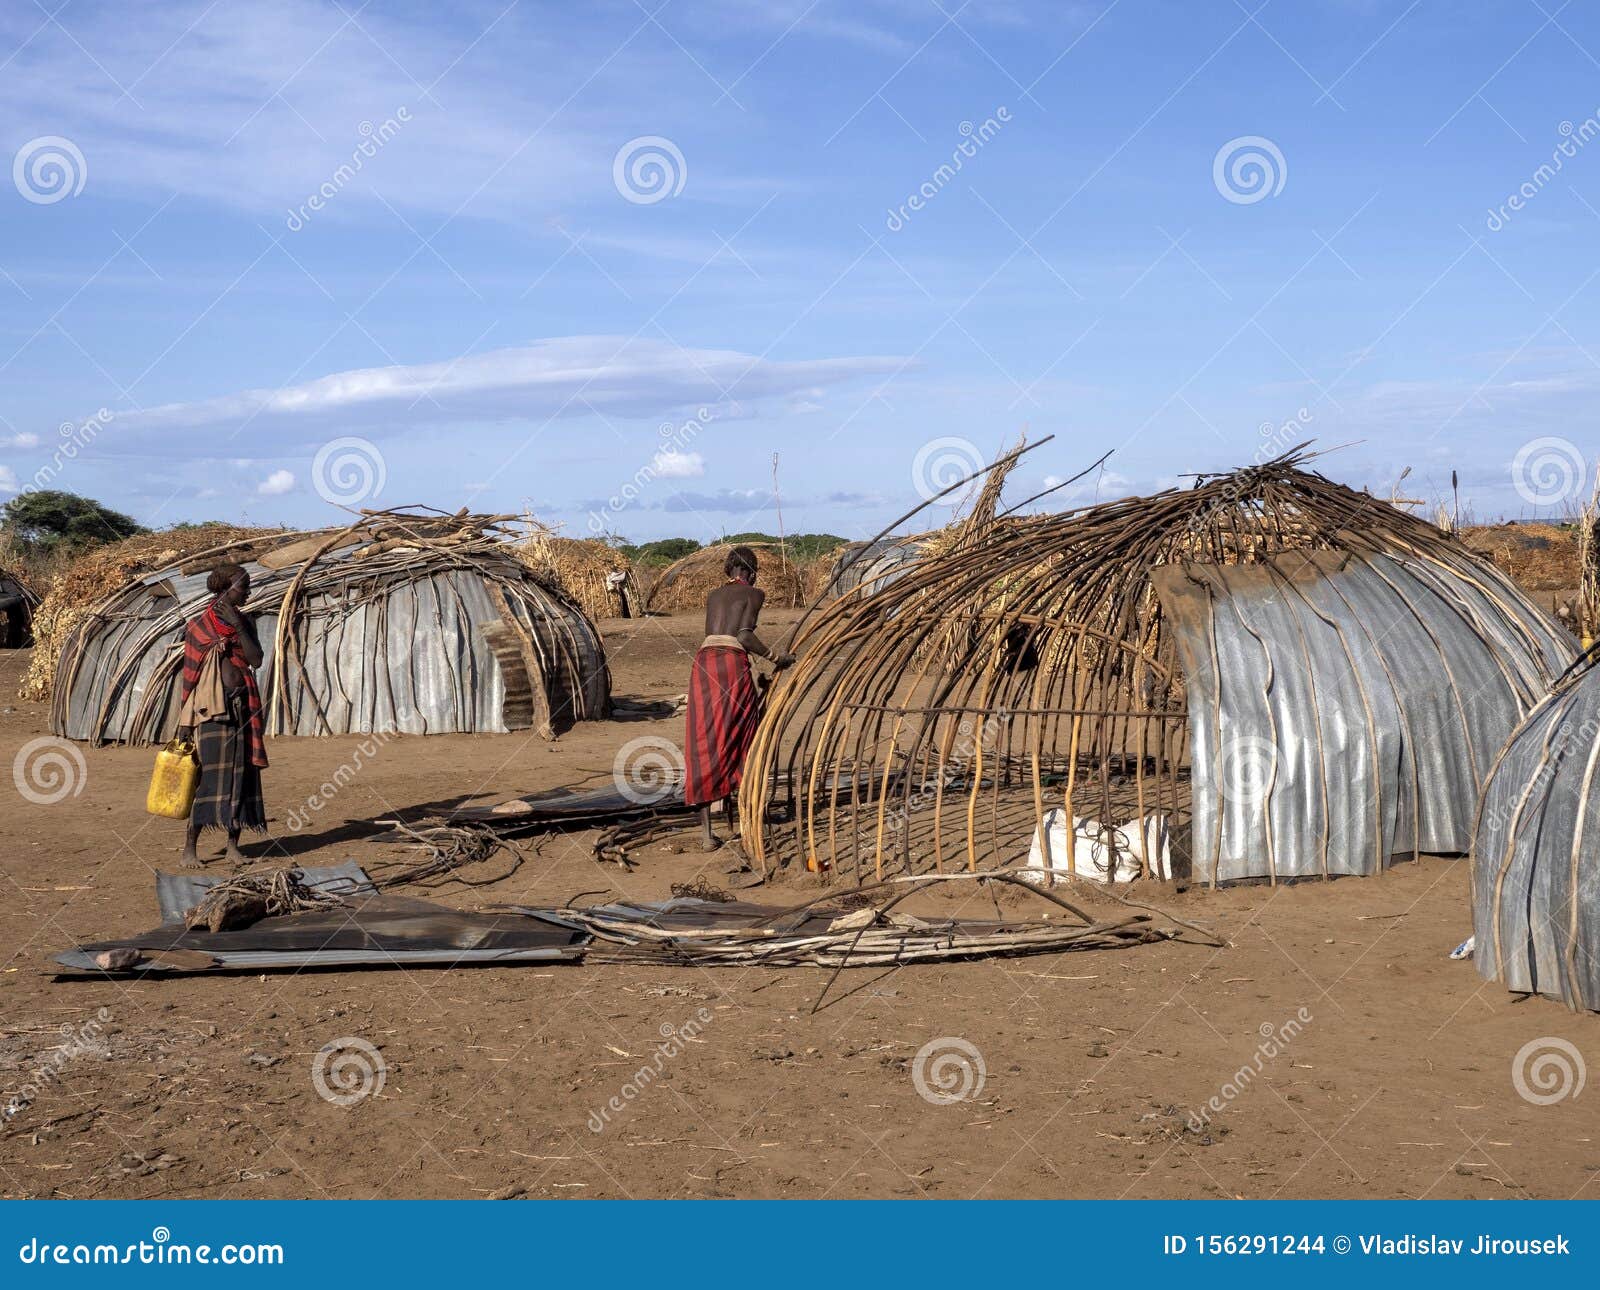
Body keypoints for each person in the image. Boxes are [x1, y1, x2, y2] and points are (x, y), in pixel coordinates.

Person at [683, 546, 793, 851]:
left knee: (703, 739)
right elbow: (743, 636)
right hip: (731, 665)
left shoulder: (713, 594)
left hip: (704, 664)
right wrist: (774, 658)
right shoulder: (754, 593)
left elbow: (723, 634)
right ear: (751, 571)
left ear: (728, 571)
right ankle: (748, 823)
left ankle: (707, 835)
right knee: (744, 734)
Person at [177, 563, 268, 866]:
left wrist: (239, 626)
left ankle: (232, 846)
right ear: (224, 588)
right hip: (212, 712)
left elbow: (255, 659)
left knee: (241, 779)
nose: (248, 591)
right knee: (210, 778)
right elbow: (191, 677)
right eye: (244, 586)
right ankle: (190, 848)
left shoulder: (245, 622)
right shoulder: (199, 626)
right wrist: (185, 724)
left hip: (243, 708)